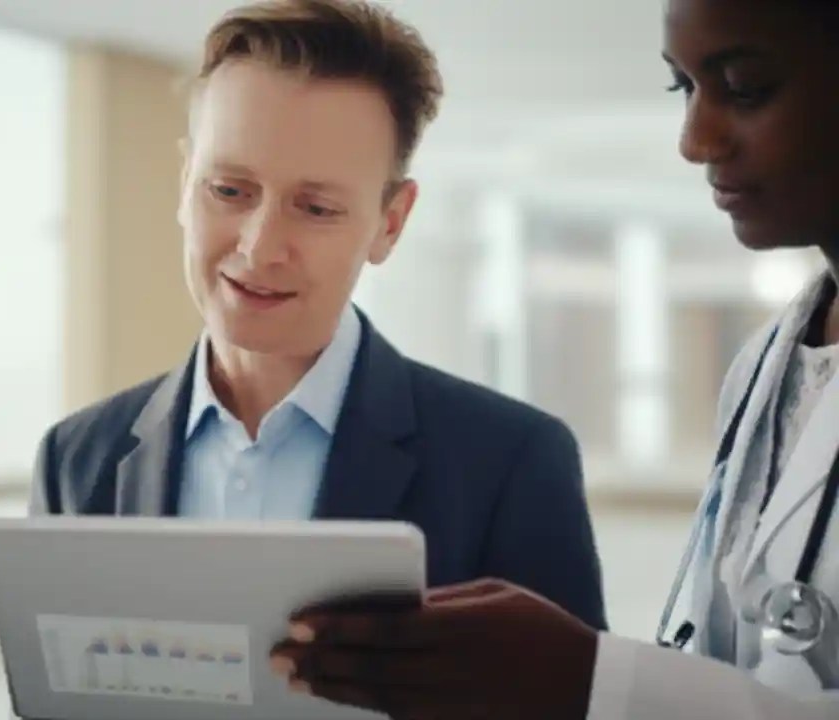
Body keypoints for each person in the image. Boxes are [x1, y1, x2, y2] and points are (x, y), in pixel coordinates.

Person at [268, 0, 839, 718]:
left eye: (747, 88)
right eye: (684, 89)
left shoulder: (515, 449)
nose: (694, 141)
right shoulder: (768, 364)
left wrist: (591, 679)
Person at [31, 0, 606, 630]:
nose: (259, 247)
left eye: (316, 208)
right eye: (228, 191)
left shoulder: (510, 466)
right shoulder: (75, 461)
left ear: (390, 223)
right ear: (183, 182)